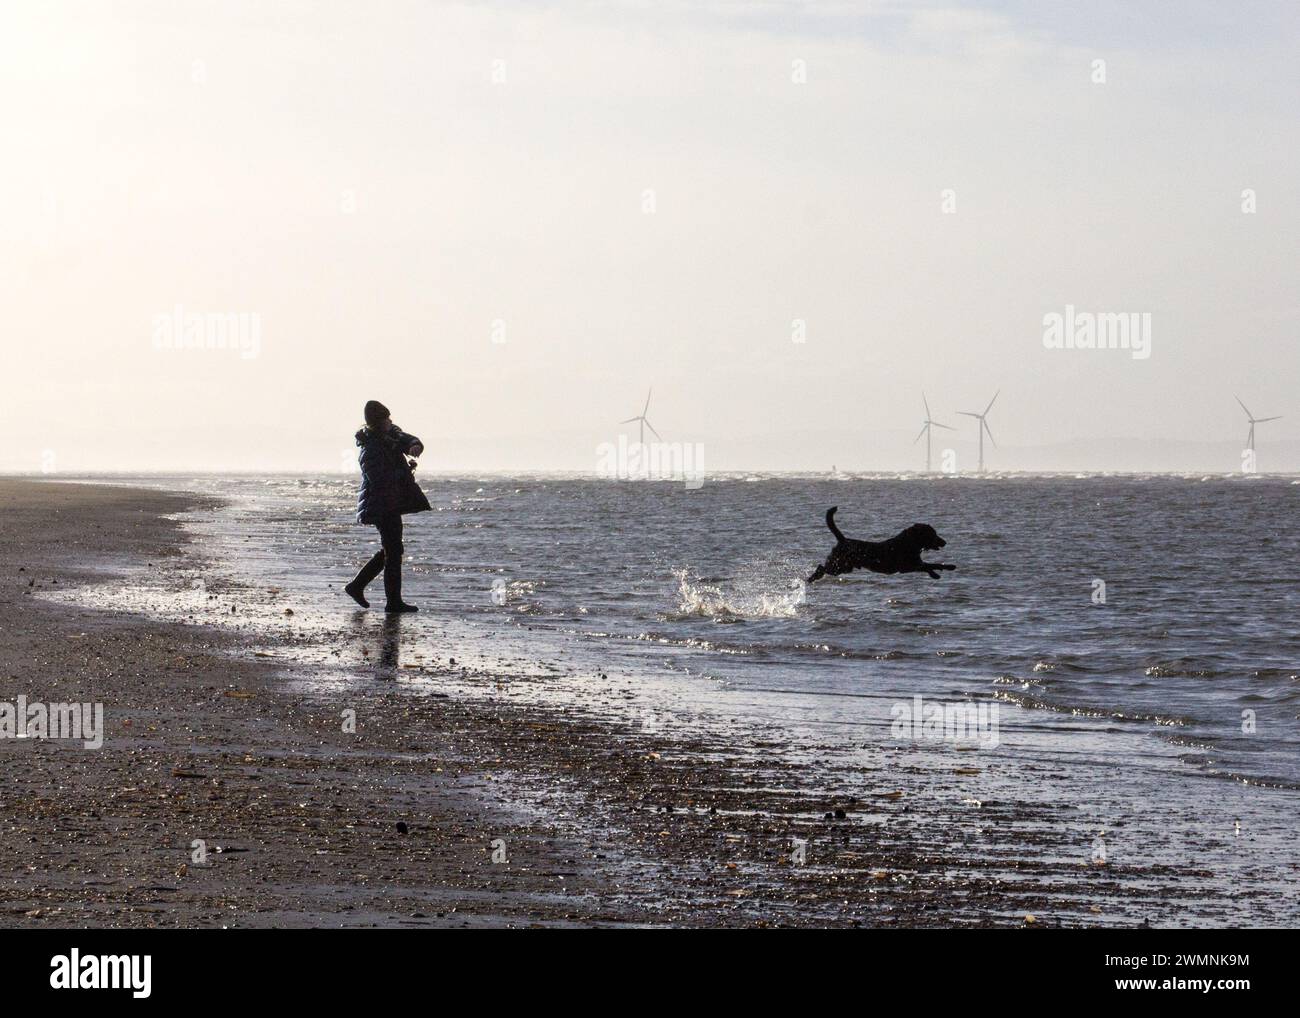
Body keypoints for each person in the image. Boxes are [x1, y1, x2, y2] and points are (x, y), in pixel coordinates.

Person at [344, 400, 430, 612]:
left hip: (389, 503)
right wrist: (404, 472)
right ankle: (392, 602)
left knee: (393, 549)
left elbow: (404, 437)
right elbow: (379, 479)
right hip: (380, 505)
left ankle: (358, 586)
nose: (390, 422)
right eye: (386, 419)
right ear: (378, 423)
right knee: (393, 551)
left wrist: (414, 446)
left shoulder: (389, 437)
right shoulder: (370, 449)